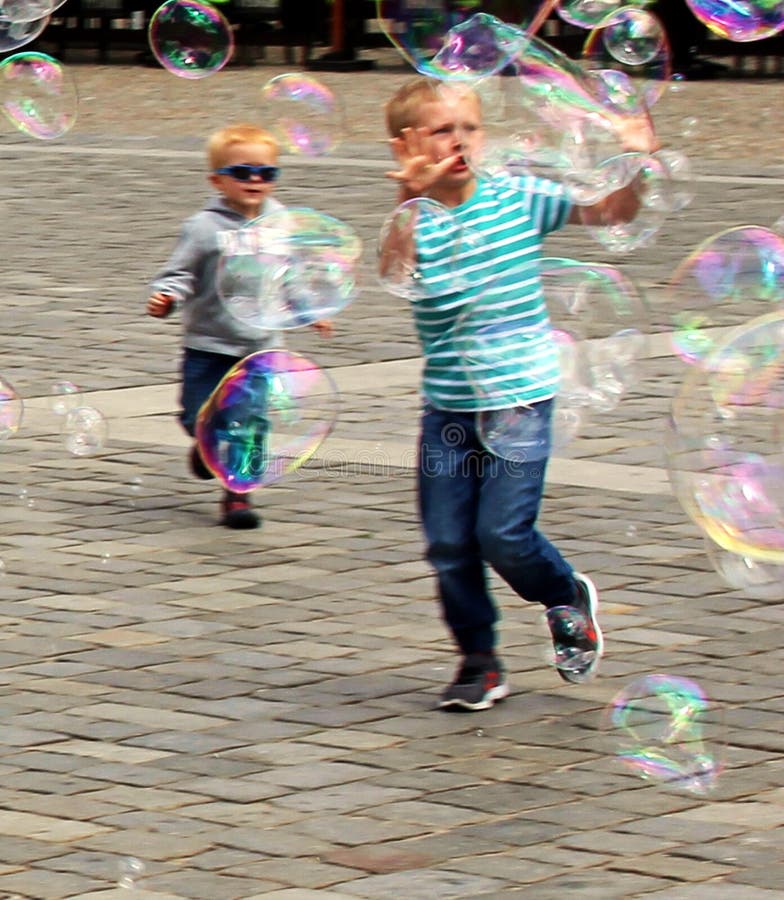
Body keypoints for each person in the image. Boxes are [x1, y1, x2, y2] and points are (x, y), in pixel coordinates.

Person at [381, 78, 659, 710]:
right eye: (441, 130)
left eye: (469, 129)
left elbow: (612, 212)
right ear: (406, 144)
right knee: (448, 541)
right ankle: (479, 660)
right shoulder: (412, 216)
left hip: (521, 395)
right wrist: (408, 195)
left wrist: (639, 160)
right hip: (448, 403)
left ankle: (563, 594)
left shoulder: (519, 197)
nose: (458, 142)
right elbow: (396, 275)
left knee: (503, 533)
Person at [147, 122, 330, 530]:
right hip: (208, 344)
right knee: (197, 414)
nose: (255, 180)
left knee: (252, 421)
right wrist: (167, 298)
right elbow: (178, 273)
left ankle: (238, 494)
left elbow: (290, 274)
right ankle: (204, 443)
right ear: (217, 180)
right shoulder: (203, 228)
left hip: (260, 345)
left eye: (266, 173)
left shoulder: (281, 221)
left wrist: (308, 309)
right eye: (242, 172)